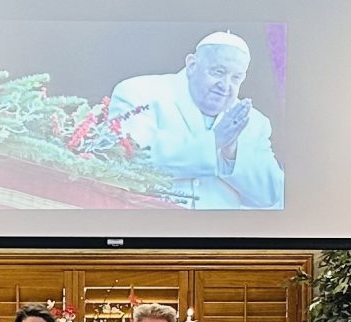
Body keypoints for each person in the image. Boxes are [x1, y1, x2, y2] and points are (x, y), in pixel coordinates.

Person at [108, 32, 284, 210]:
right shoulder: (140, 92)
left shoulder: (253, 121)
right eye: (218, 72)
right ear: (192, 65)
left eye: (236, 78)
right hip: (151, 228)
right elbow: (130, 161)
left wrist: (230, 153)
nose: (225, 85)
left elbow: (269, 195)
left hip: (218, 233)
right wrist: (214, 141)